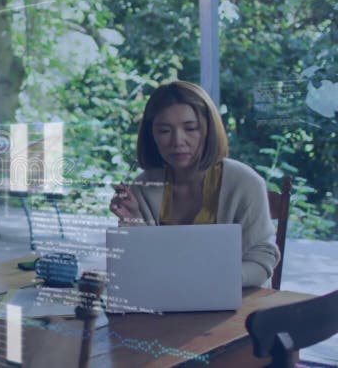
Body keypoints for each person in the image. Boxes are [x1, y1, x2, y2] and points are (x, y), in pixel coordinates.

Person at [109, 80, 280, 287]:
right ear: (151, 136)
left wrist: (214, 280)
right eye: (164, 131)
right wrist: (133, 222)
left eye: (190, 128)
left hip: (232, 303)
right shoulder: (142, 188)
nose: (177, 141)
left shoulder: (245, 182)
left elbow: (261, 261)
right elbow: (139, 267)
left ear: (209, 131)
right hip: (163, 304)